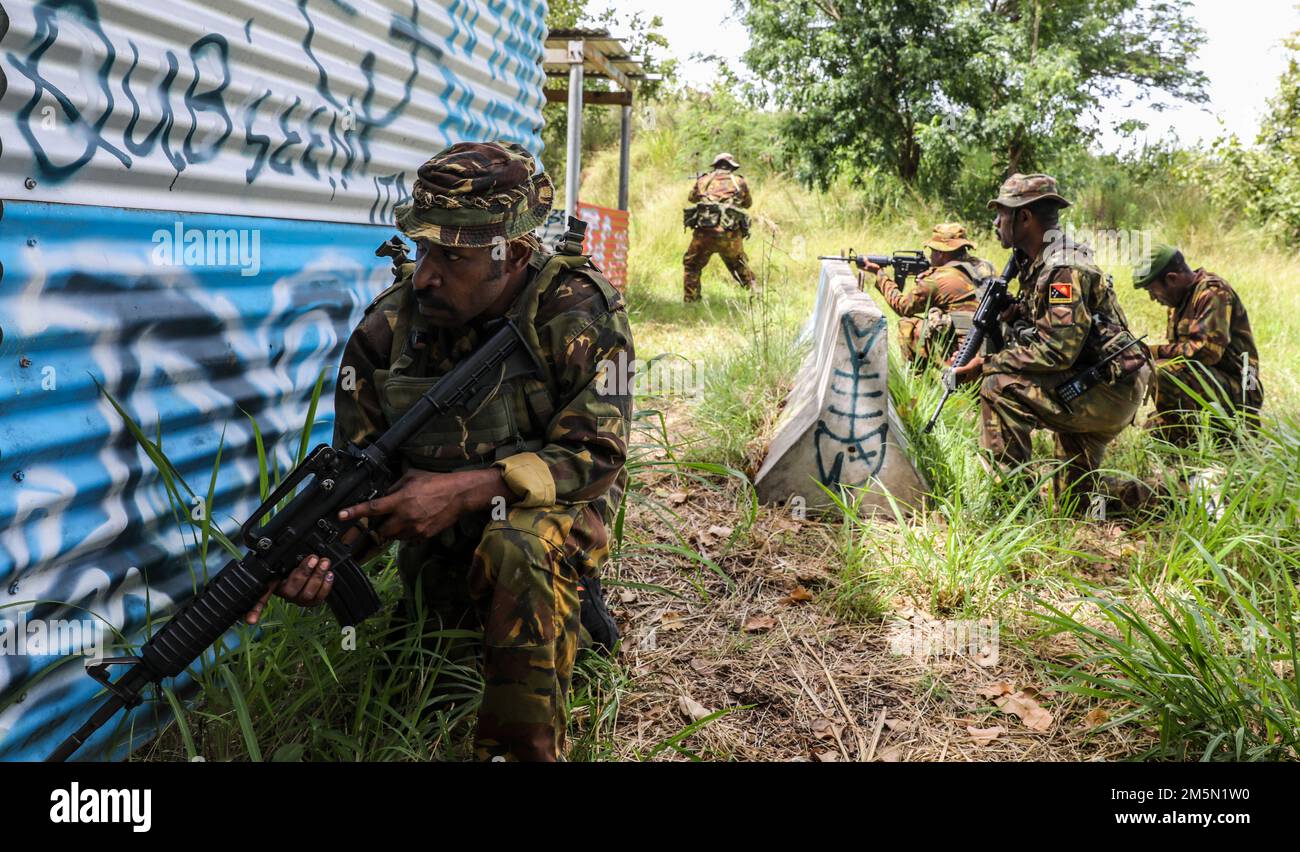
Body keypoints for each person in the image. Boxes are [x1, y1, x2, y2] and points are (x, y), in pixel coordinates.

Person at [244, 141, 634, 762]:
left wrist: (465, 489)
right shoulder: (388, 332)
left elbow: (595, 455)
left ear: (515, 255)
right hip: (438, 550)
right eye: (422, 247)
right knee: (433, 653)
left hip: (548, 521)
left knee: (521, 548)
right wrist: (326, 553)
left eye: (451, 256)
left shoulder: (576, 313)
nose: (426, 273)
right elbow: (364, 484)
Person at [955, 173, 1151, 506]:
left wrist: (984, 364)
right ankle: (1177, 497)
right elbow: (1055, 325)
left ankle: (1010, 508)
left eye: (1001, 213)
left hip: (1107, 388)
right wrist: (1014, 312)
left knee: (999, 385)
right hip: (1094, 380)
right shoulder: (1038, 260)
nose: (995, 223)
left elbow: (1058, 351)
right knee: (1075, 502)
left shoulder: (1063, 269)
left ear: (1025, 216)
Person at [1132, 244, 1264, 445]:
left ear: (1172, 279)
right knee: (1152, 433)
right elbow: (1184, 359)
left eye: (1152, 290)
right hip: (1214, 382)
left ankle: (1196, 443)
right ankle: (1197, 434)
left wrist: (1153, 351)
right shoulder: (1180, 301)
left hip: (1243, 391)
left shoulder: (1213, 293)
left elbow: (1206, 352)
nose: (1152, 298)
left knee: (1164, 372)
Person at [862, 223, 995, 365]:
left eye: (932, 251)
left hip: (962, 356)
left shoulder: (937, 279)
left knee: (908, 326)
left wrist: (879, 275)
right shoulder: (986, 267)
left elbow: (903, 306)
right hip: (990, 349)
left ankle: (917, 379)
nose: (930, 256)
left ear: (940, 253)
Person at [682, 152, 756, 302]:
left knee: (692, 266)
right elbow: (747, 204)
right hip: (729, 235)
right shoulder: (739, 182)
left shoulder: (704, 180)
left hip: (704, 234)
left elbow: (691, 198)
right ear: (731, 167)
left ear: (715, 166)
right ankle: (756, 297)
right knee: (740, 265)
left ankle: (691, 301)